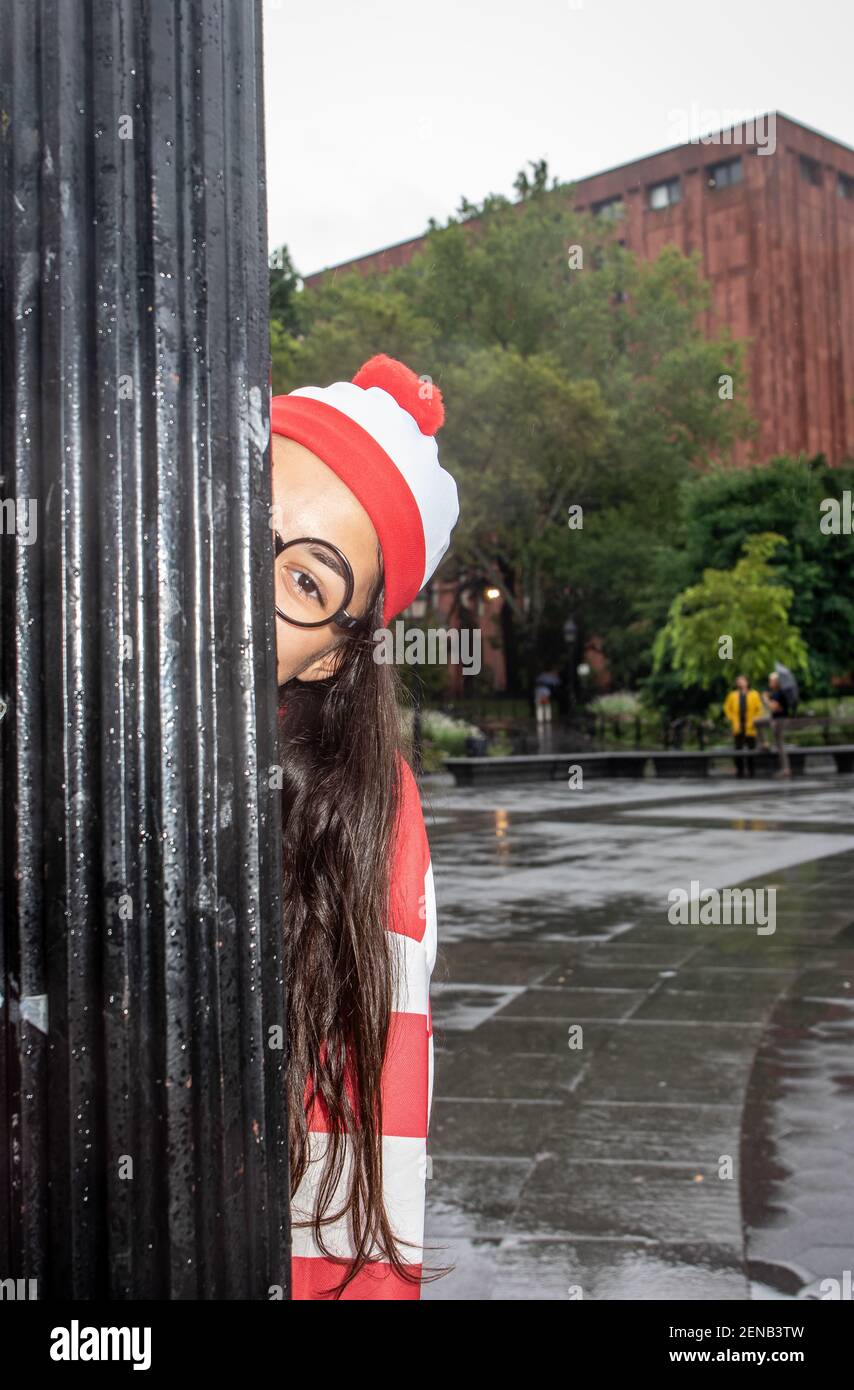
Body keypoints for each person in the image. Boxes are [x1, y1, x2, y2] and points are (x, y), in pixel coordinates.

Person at [270, 354, 459, 1298]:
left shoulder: (369, 828)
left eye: (306, 582)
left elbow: (349, 1205)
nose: (242, 582)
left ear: (328, 660)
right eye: (242, 523)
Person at [723, 673, 763, 778]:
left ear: (747, 682)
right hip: (738, 725)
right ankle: (740, 771)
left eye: (742, 680)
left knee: (751, 748)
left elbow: (759, 709)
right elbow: (727, 708)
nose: (740, 682)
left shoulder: (754, 694)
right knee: (738, 749)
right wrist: (731, 718)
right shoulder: (733, 695)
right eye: (738, 680)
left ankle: (751, 771)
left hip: (750, 725)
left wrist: (755, 719)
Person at [756, 670, 792, 778]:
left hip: (780, 721)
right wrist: (768, 698)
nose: (769, 683)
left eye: (771, 681)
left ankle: (786, 769)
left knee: (780, 745)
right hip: (775, 720)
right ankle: (764, 744)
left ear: (776, 681)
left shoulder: (780, 693)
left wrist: (765, 699)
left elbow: (773, 708)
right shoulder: (776, 693)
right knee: (758, 723)